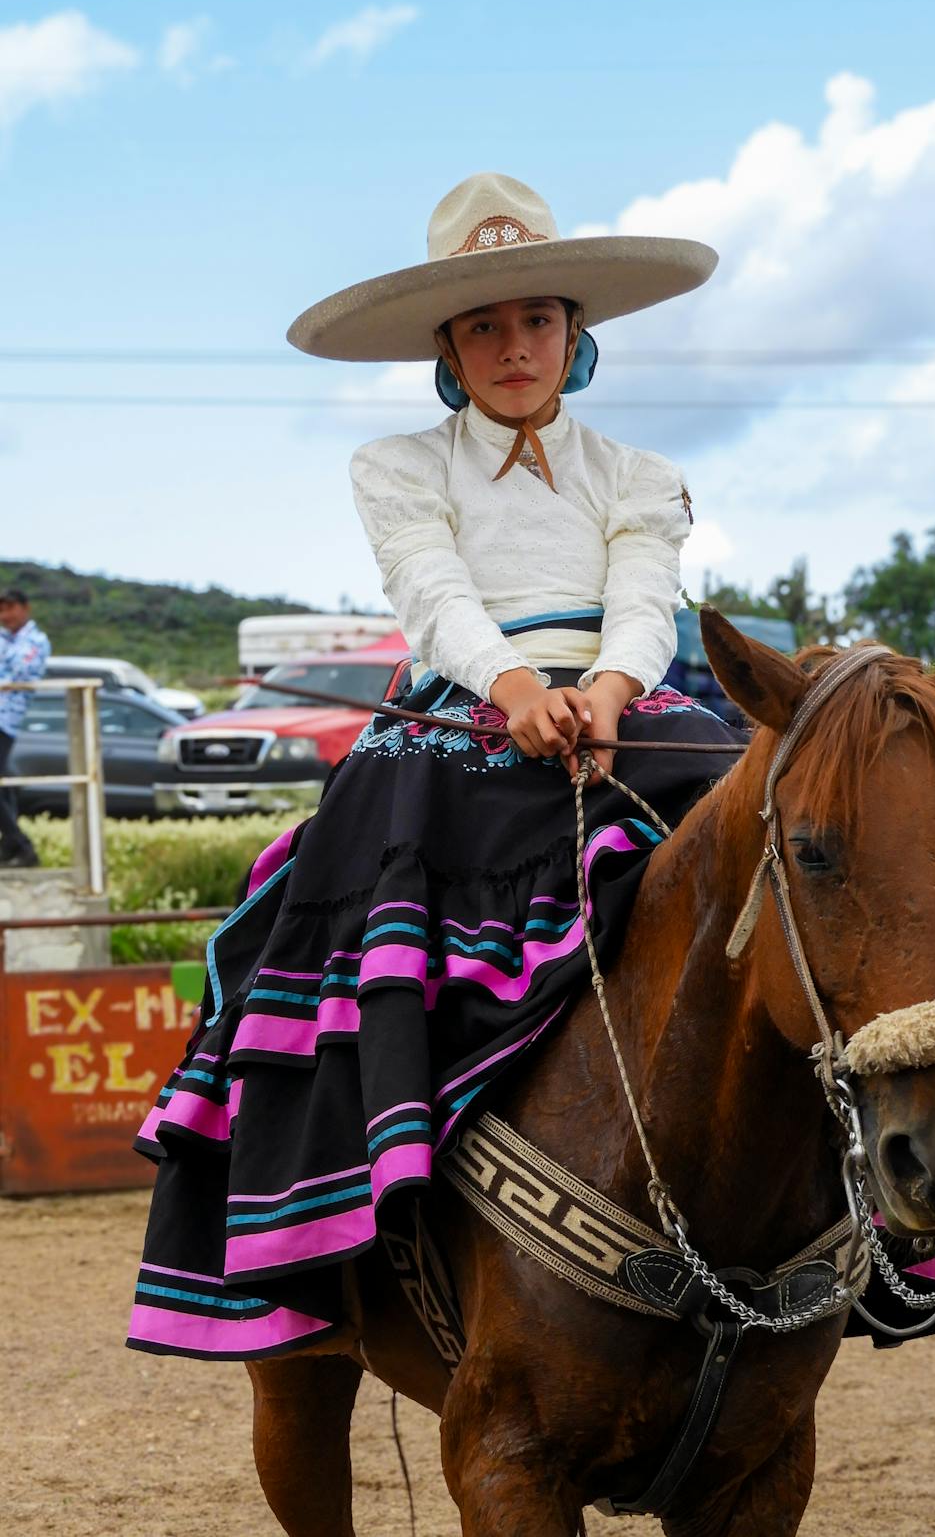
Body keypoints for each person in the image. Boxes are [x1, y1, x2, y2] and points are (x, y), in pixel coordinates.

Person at [128, 173, 740, 1360]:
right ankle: (361, 1210)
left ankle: (855, 1211)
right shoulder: (396, 467)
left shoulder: (643, 475)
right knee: (324, 915)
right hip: (457, 723)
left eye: (537, 320)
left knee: (800, 846)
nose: (515, 347)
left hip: (630, 708)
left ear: (578, 332)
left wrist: (604, 699)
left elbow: (645, 602)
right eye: (483, 326)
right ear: (449, 352)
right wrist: (516, 694)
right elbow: (435, 592)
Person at [0, 586, 51, 868]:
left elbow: (18, 671)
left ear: (24, 608)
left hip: (5, 719)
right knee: (3, 785)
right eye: (1, 610)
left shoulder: (35, 641)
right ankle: (10, 847)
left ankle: (21, 846)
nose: (5, 615)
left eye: (10, 608)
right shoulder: (6, 639)